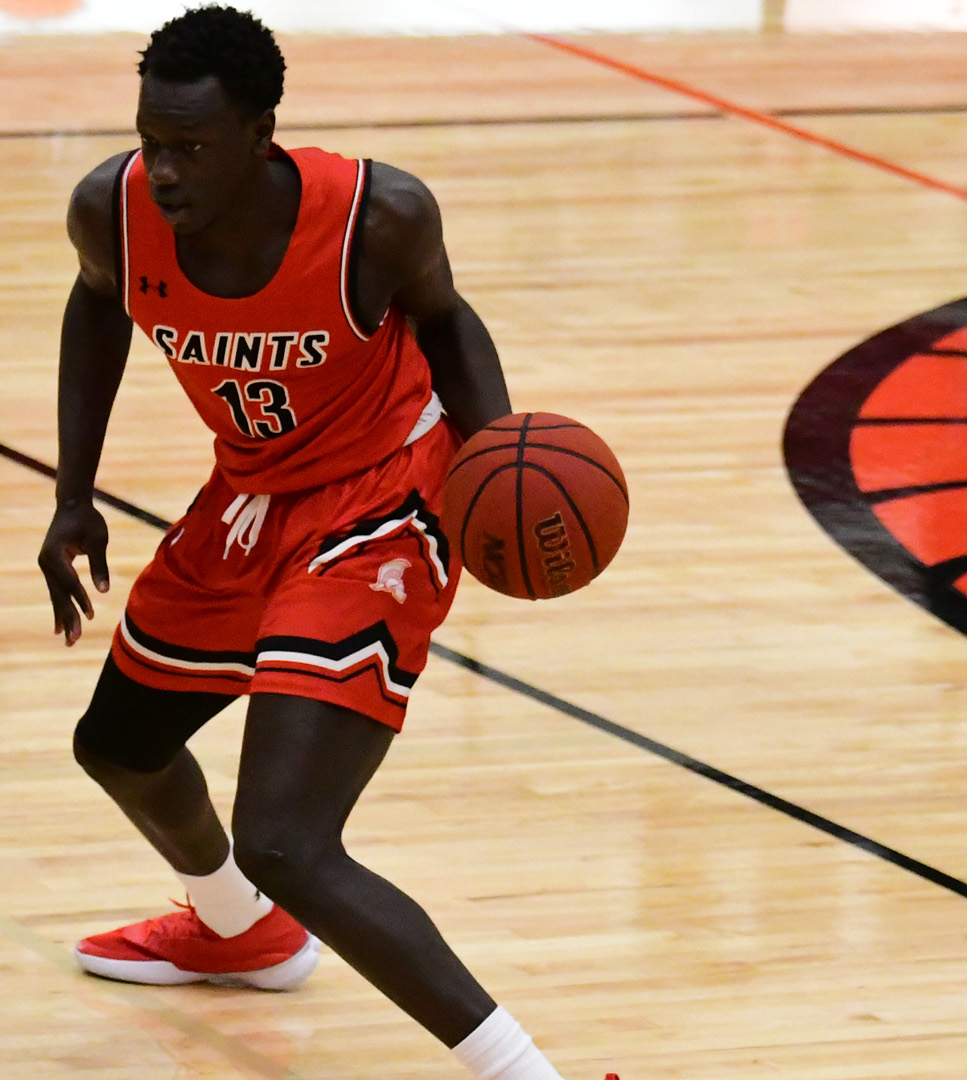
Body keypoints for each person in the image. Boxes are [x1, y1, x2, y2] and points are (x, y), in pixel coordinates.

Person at [37, 7, 574, 1079]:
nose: (163, 170)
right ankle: (239, 930)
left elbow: (449, 320)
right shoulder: (113, 210)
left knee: (287, 840)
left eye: (190, 147)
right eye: (150, 140)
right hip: (252, 495)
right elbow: (98, 307)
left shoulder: (379, 216)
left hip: (384, 501)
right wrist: (73, 495)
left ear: (260, 133)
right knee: (121, 747)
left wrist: (494, 471)